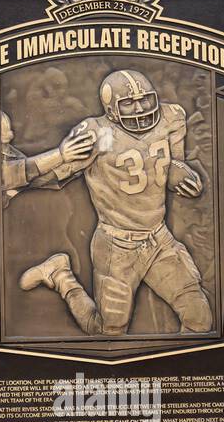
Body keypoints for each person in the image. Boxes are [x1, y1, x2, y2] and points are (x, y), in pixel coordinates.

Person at [16, 68, 212, 337]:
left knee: (199, 318)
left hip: (159, 239)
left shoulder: (171, 117)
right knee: (107, 331)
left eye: (145, 99)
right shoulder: (97, 134)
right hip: (117, 247)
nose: (140, 108)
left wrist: (179, 172)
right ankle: (61, 277)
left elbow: (173, 163)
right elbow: (53, 175)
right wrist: (25, 173)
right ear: (110, 108)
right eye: (129, 102)